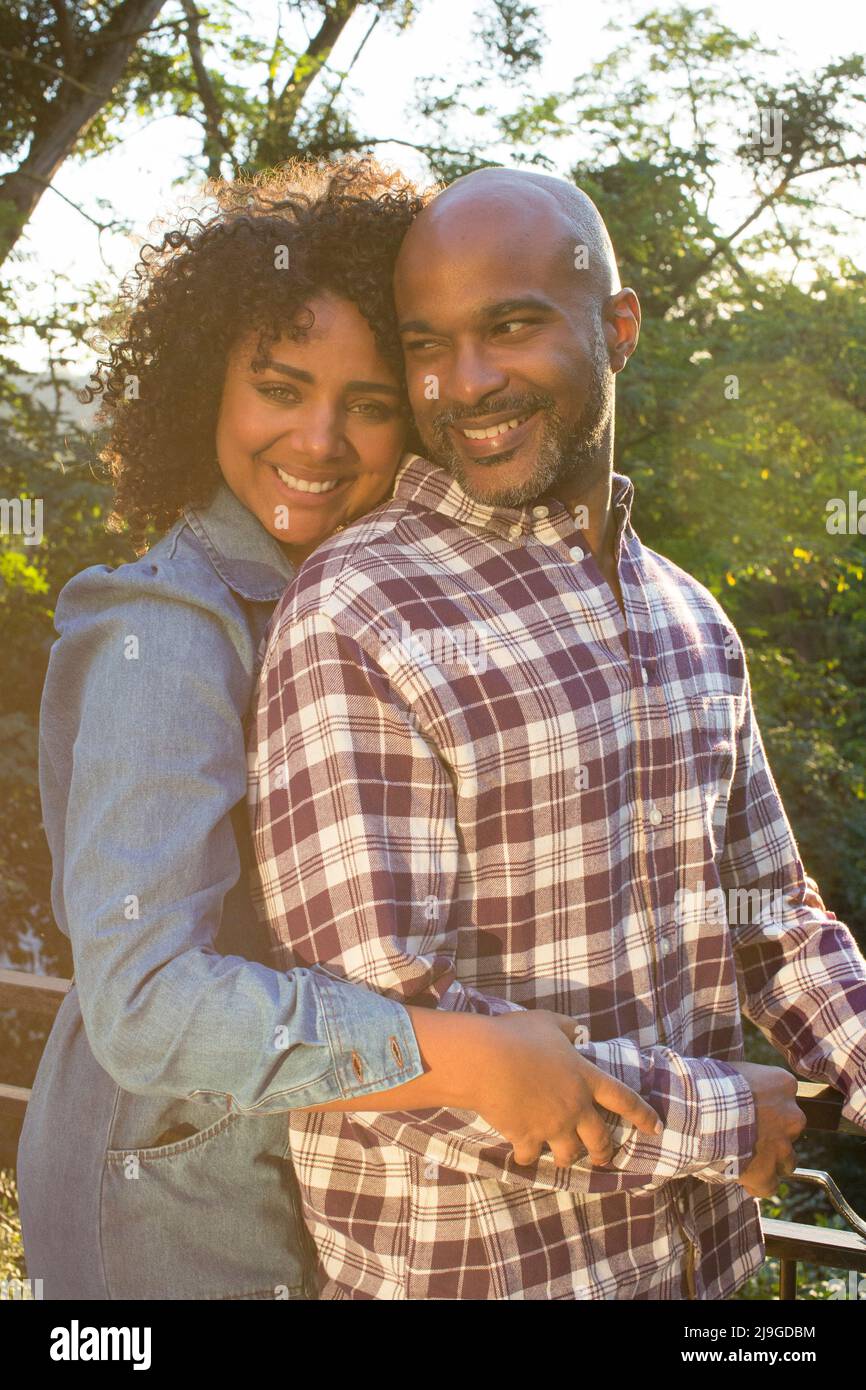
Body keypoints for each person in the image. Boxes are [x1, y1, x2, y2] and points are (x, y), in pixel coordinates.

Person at [17, 159, 660, 1302]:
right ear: (202, 385)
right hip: (176, 1193)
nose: (317, 441)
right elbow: (144, 1002)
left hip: (337, 1177)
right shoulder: (168, 629)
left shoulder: (375, 597)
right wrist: (459, 1055)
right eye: (278, 385)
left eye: (367, 402)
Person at [249, 167, 866, 1300]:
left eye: (512, 326)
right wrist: (716, 1115)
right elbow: (382, 1031)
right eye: (427, 343)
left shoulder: (686, 614)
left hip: (698, 1275)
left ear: (615, 327)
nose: (464, 382)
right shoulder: (362, 609)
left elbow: (772, 917)